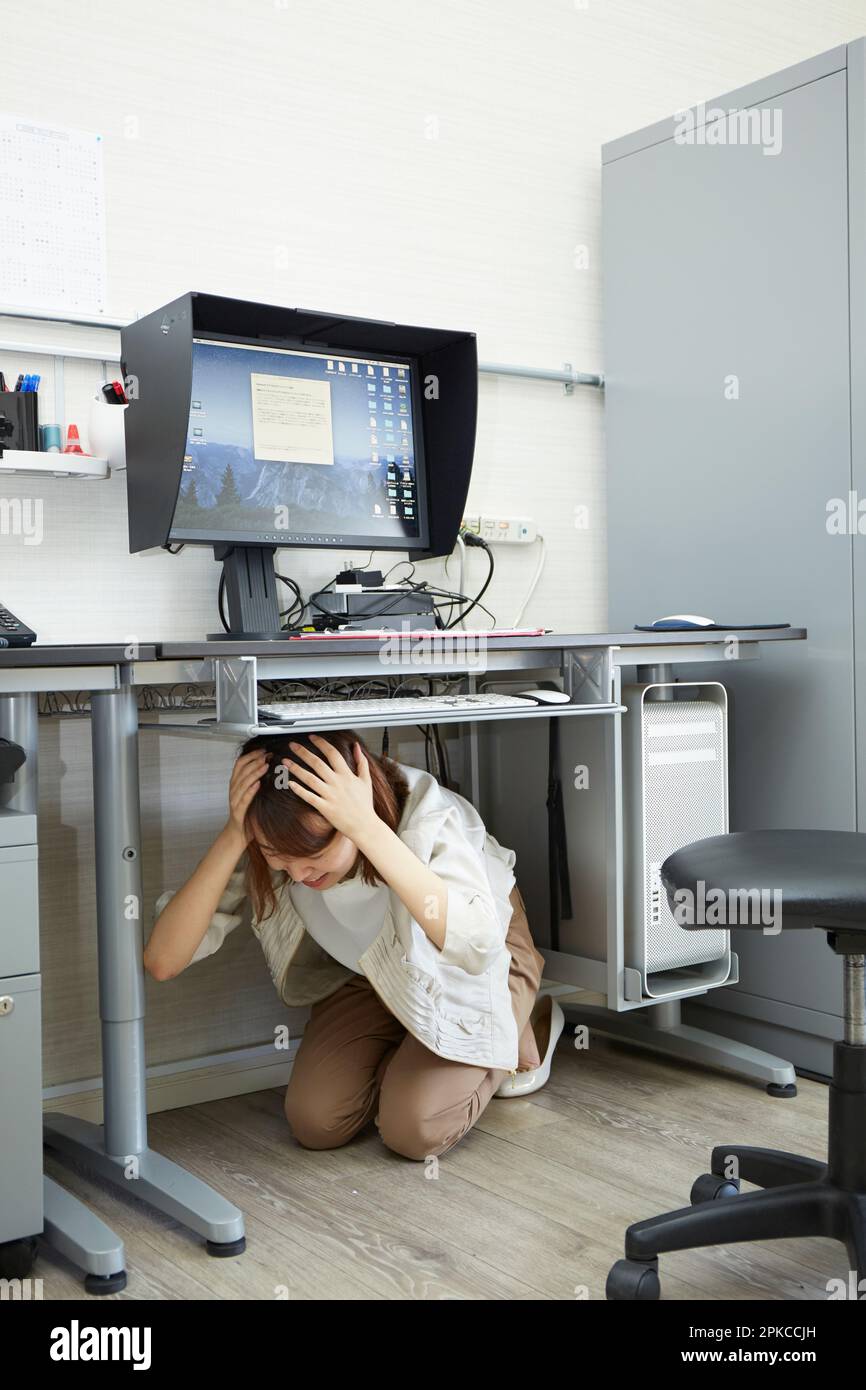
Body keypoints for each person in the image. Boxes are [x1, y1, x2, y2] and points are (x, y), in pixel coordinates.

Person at [146, 728, 563, 1161]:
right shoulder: (275, 832)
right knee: (316, 1122)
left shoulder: (429, 816)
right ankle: (414, 1052)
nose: (300, 873)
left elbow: (475, 945)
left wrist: (366, 829)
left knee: (413, 1130)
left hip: (471, 959)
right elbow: (164, 960)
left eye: (315, 852)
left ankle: (526, 1021)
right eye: (279, 857)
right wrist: (236, 833)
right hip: (374, 968)